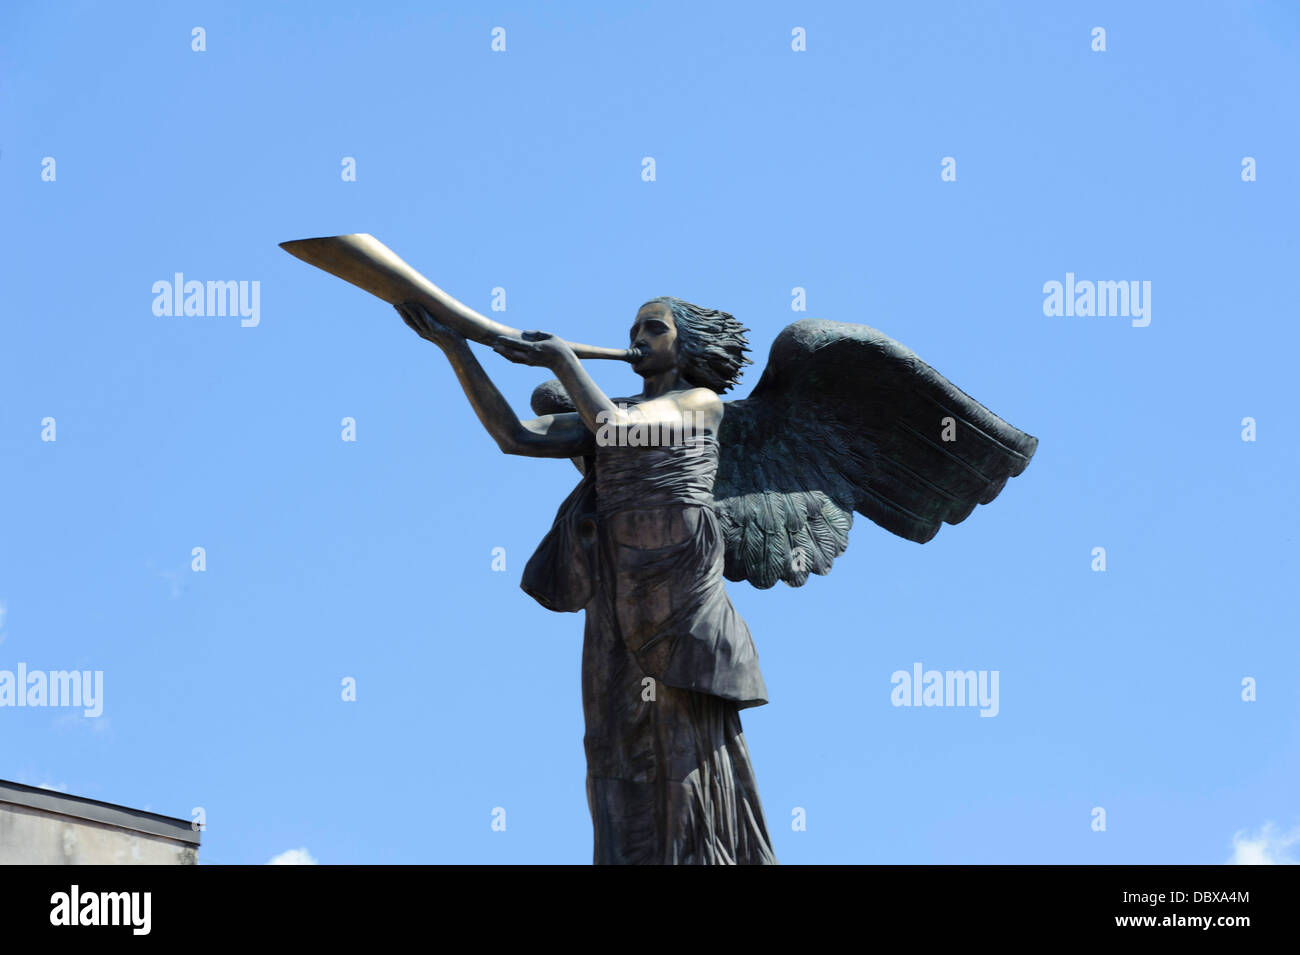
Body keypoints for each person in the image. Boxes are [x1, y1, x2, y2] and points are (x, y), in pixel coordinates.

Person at [397, 297, 777, 865]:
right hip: (617, 584)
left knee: (680, 738)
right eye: (633, 329)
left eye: (654, 328)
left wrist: (560, 361)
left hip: (680, 586)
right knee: (615, 739)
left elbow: (620, 432)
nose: (639, 337)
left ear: (687, 344)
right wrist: (455, 348)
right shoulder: (613, 407)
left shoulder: (699, 403)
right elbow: (516, 435)